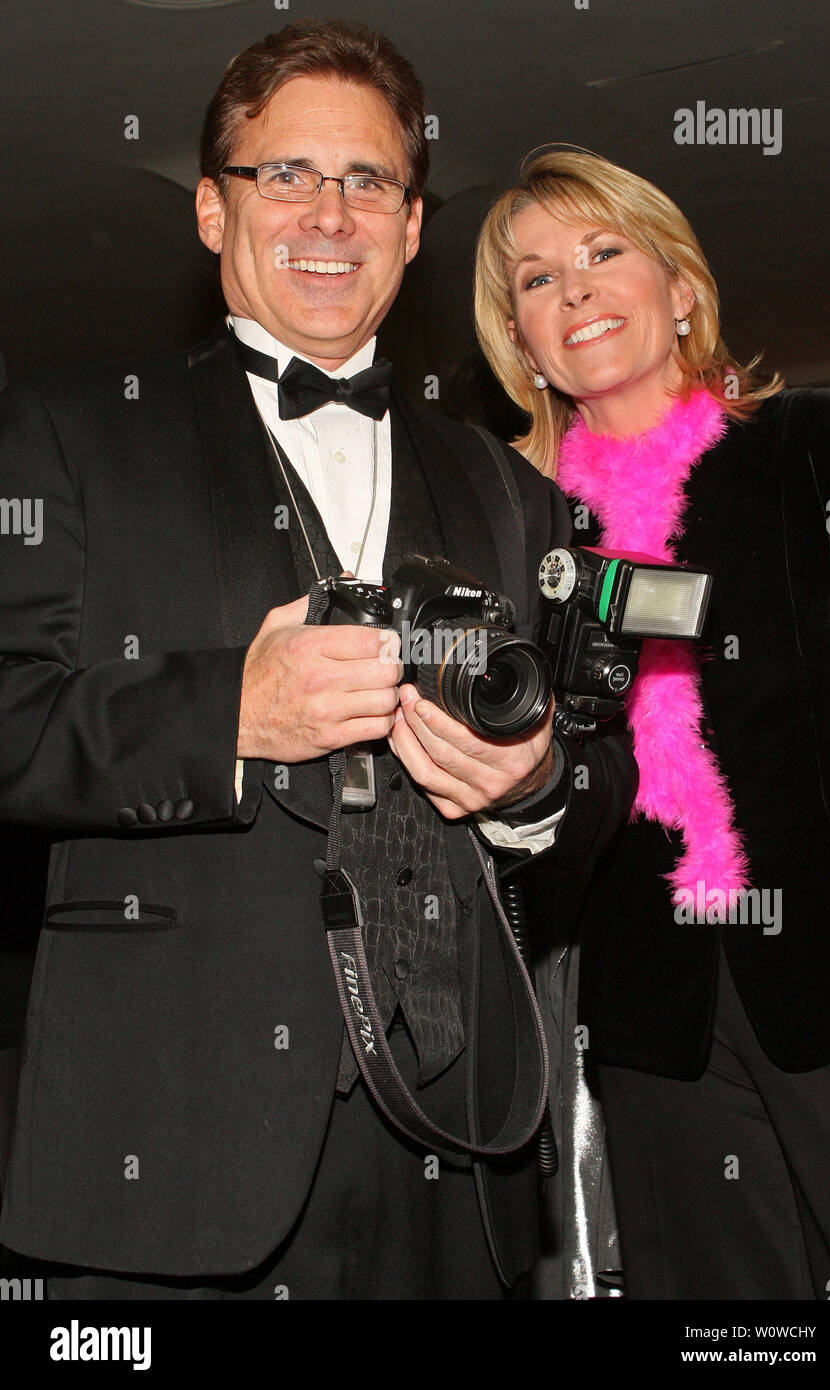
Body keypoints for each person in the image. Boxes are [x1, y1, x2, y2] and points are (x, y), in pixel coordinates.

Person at [0, 29, 636, 1300]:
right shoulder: (65, 432)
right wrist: (225, 709)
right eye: (285, 174)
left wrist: (531, 786)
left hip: (456, 1155)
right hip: (170, 1138)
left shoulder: (511, 491)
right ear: (209, 206)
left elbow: (598, 759)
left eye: (369, 183)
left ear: (410, 227)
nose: (329, 215)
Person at [473, 148, 830, 1299]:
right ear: (521, 338)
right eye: (538, 280)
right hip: (652, 1013)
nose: (576, 292)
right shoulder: (519, 530)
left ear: (680, 288)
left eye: (603, 254)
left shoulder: (816, 449)